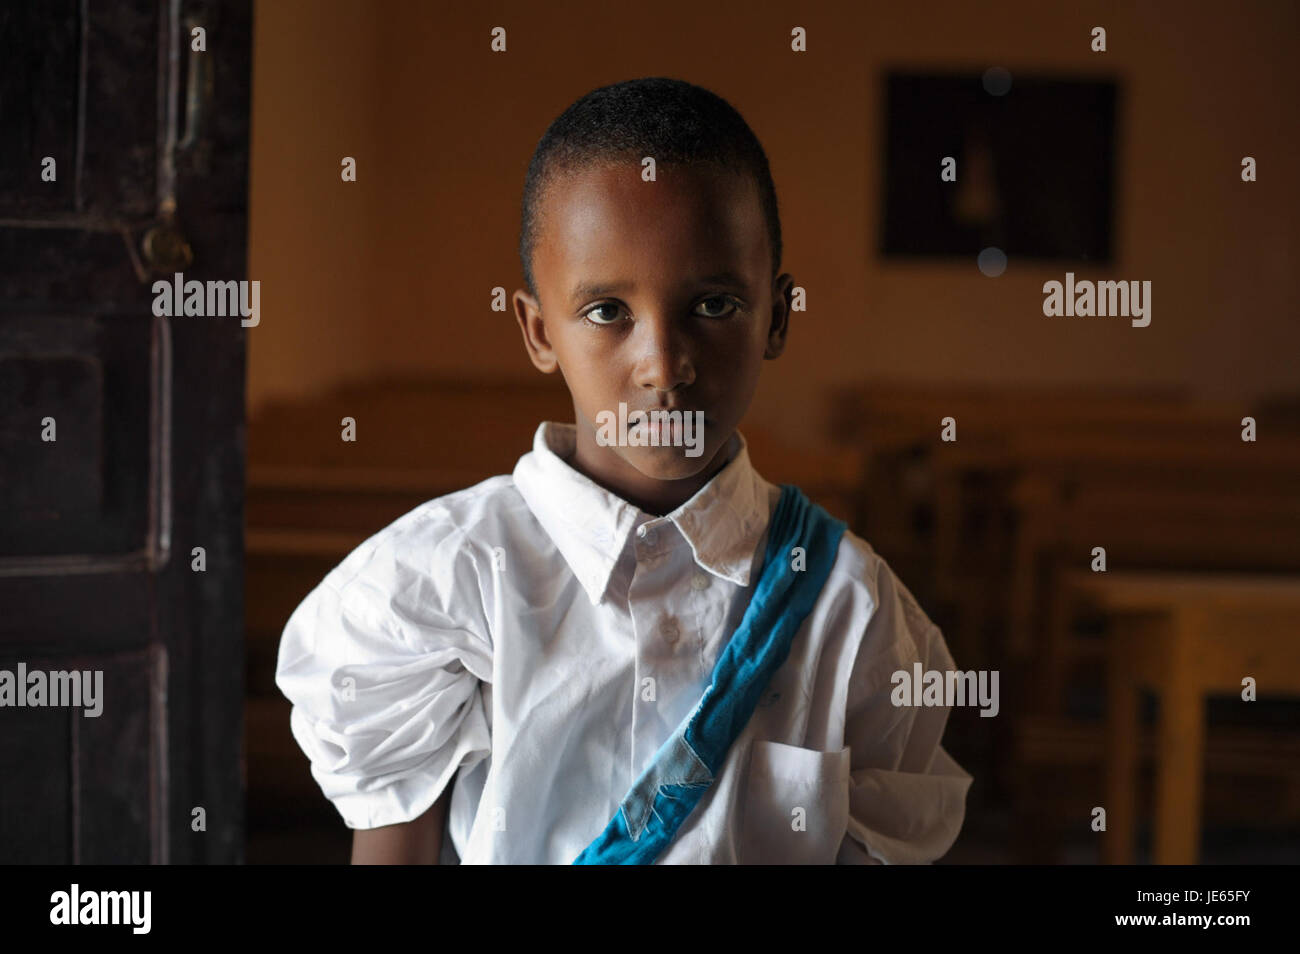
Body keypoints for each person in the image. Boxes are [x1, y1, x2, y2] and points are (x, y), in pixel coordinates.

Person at [275, 76, 972, 864]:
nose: (664, 365)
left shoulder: (854, 610)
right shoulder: (437, 587)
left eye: (712, 306)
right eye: (608, 312)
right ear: (539, 331)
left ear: (775, 316)